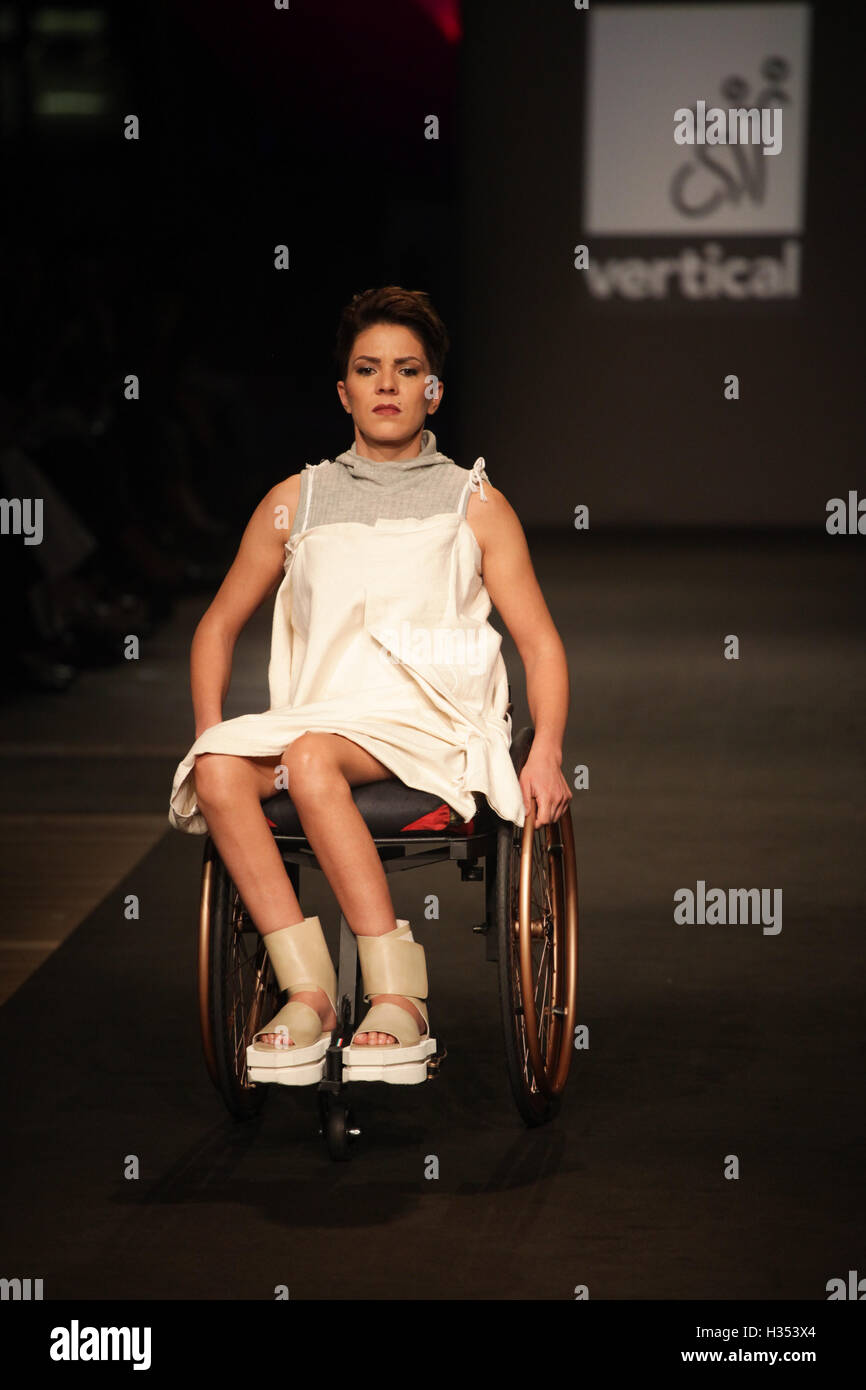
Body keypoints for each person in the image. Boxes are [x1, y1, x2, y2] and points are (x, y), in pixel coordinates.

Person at [168, 286, 571, 1084]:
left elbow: (539, 640)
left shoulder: (476, 503)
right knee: (216, 770)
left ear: (434, 392)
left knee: (313, 759)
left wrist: (548, 749)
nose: (387, 385)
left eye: (407, 369)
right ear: (344, 390)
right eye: (368, 368)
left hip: (432, 723)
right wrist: (208, 727)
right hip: (322, 717)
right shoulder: (296, 502)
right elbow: (216, 626)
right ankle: (312, 995)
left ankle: (399, 997)